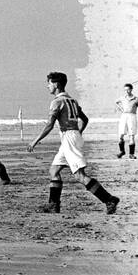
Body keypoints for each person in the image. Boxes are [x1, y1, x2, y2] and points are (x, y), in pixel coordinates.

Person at [28, 71, 118, 214]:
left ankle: (109, 199)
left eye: (49, 83)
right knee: (54, 170)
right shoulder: (73, 101)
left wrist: (35, 140)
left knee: (79, 176)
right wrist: (78, 133)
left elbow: (49, 125)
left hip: (69, 138)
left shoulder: (57, 102)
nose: (47, 86)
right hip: (70, 138)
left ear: (56, 84)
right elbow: (85, 119)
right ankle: (53, 205)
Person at [115, 84, 138, 159]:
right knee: (121, 135)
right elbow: (116, 102)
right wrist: (121, 109)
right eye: (125, 90)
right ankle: (122, 151)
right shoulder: (122, 98)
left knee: (131, 136)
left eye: (128, 89)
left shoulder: (136, 99)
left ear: (131, 89)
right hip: (124, 116)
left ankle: (131, 154)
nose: (126, 91)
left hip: (132, 116)